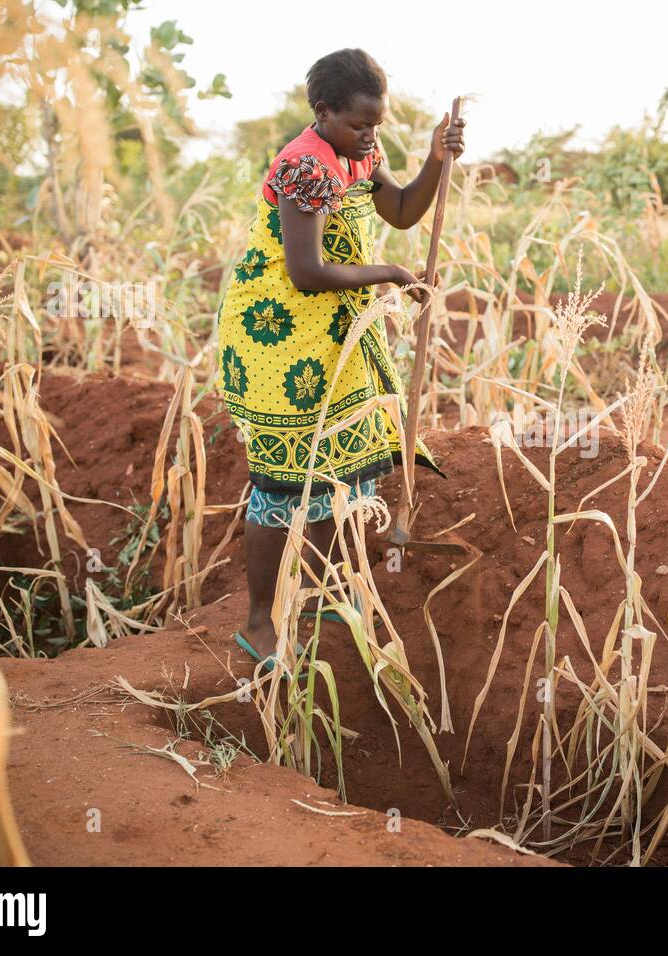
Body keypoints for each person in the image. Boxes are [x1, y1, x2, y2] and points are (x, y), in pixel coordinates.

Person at [216, 48, 465, 667]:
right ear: (322, 111)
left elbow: (404, 210)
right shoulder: (304, 166)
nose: (369, 135)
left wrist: (435, 158)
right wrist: (389, 274)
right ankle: (257, 624)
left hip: (335, 328)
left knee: (338, 460)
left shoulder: (361, 153)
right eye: (358, 124)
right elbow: (305, 272)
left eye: (376, 124)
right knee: (280, 480)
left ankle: (323, 593)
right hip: (277, 334)